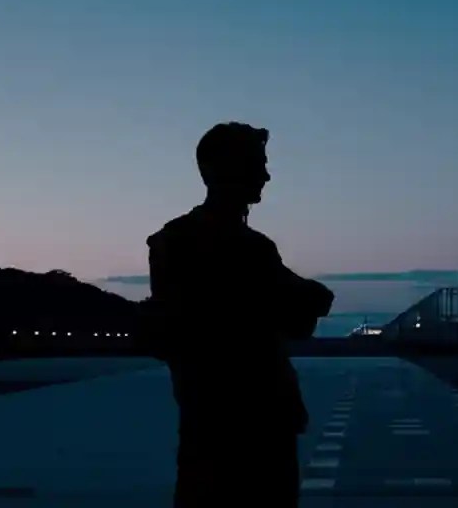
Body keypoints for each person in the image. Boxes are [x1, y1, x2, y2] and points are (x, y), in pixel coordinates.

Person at [143, 122, 335, 507]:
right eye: (257, 164)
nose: (265, 176)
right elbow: (307, 310)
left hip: (205, 426)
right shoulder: (251, 249)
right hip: (257, 427)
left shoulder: (171, 242)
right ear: (226, 169)